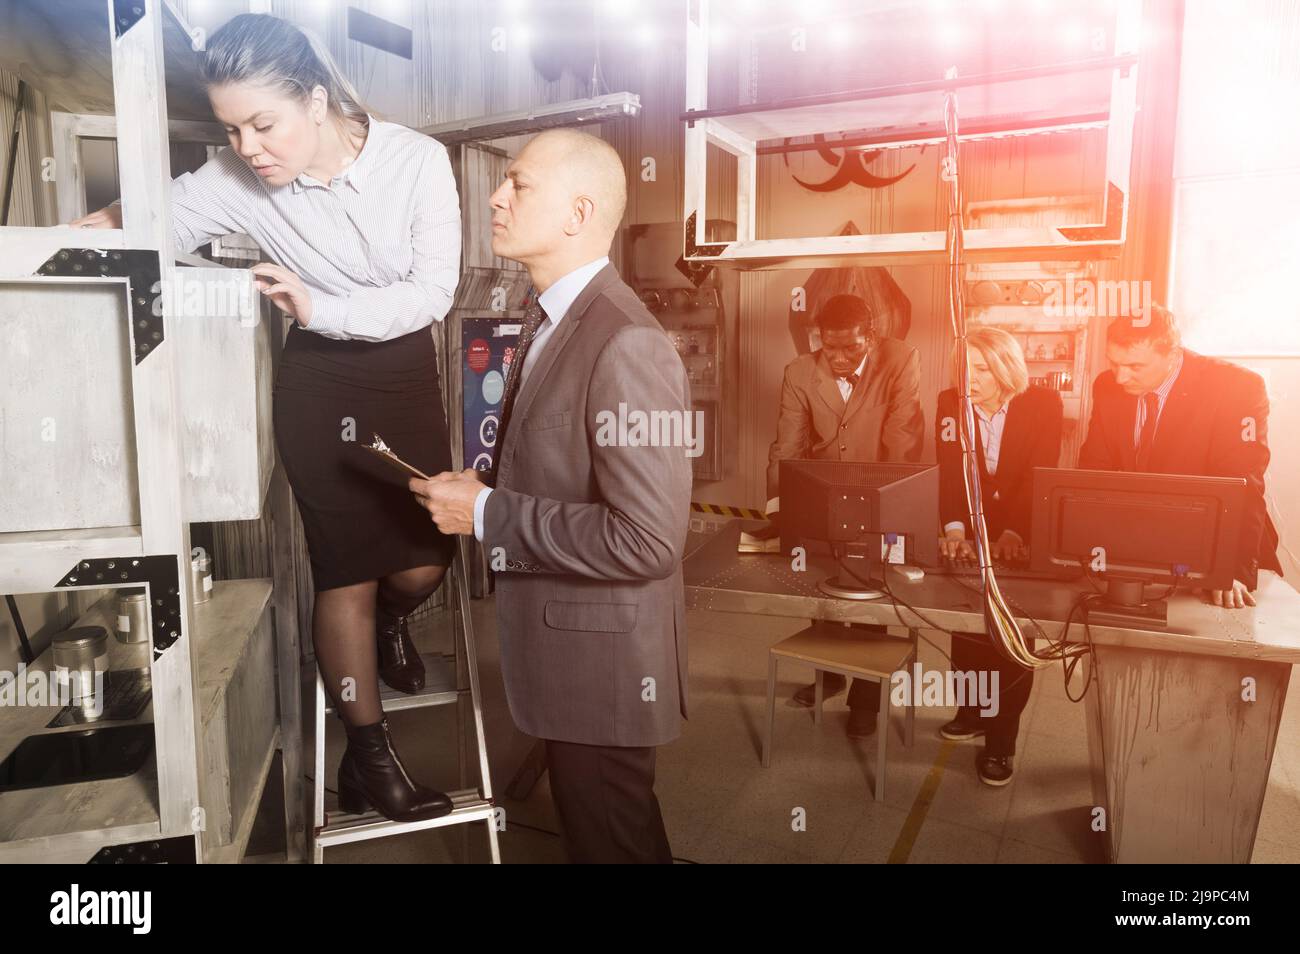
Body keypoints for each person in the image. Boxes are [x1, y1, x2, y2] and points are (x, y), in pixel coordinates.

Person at [72, 14, 463, 822]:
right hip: (316, 386)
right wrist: (70, 238)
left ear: (315, 101)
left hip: (402, 376)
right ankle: (370, 758)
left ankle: (396, 621)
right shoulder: (235, 175)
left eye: (263, 124)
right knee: (345, 567)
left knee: (425, 558)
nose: (248, 148)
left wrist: (322, 303)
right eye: (231, 128)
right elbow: (156, 218)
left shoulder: (416, 161)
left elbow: (434, 293)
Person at [408, 129, 693, 863]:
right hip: (576, 656)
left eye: (519, 185)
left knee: (610, 840)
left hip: (602, 668)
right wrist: (489, 490)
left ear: (577, 213)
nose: (496, 197)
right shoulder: (554, 317)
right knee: (615, 833)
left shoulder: (625, 340)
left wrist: (486, 514)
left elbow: (649, 539)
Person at [766, 293, 924, 736]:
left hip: (881, 493)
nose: (836, 358)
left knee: (870, 599)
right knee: (824, 592)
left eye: (850, 348)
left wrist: (896, 513)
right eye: (827, 347)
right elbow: (789, 445)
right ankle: (829, 673)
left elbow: (902, 437)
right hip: (824, 496)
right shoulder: (799, 371)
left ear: (871, 336)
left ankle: (865, 702)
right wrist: (780, 510)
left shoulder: (900, 359)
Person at [1078, 305, 1281, 606]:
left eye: (1135, 366)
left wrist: (1230, 570)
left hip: (1215, 546)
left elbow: (1243, 483)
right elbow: (1094, 471)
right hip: (1145, 549)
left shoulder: (1237, 387)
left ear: (1172, 355)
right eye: (1113, 362)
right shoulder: (1106, 386)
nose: (1120, 377)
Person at [935, 326, 1063, 785]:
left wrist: (1013, 529)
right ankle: (971, 713)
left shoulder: (1044, 405)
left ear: (1006, 368)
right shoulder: (950, 402)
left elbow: (1039, 474)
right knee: (966, 628)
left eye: (983, 369)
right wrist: (953, 529)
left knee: (1010, 640)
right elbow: (949, 471)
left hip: (1020, 532)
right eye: (965, 368)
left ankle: (1001, 743)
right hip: (969, 531)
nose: (970, 379)